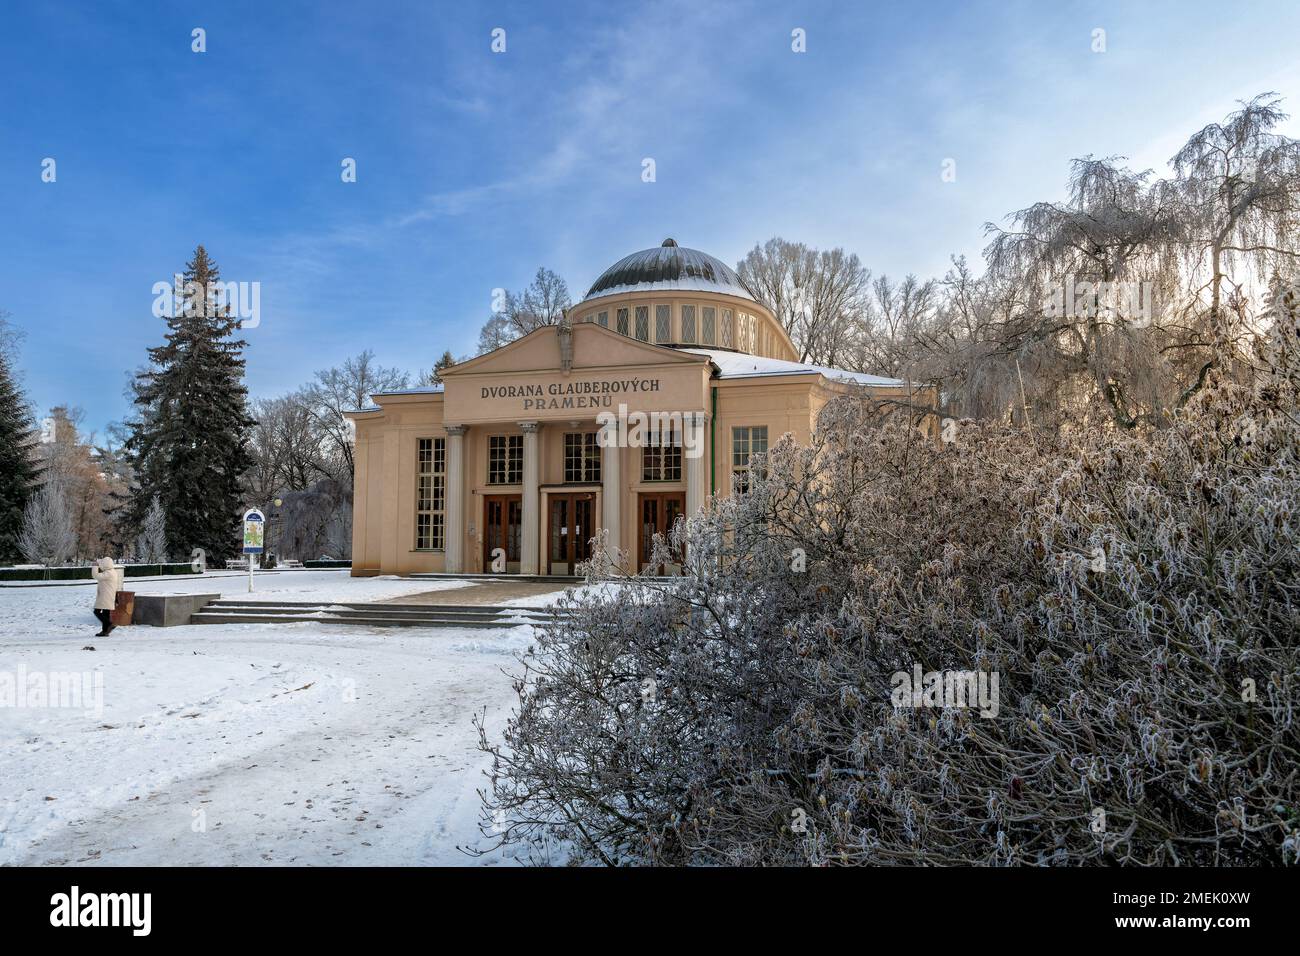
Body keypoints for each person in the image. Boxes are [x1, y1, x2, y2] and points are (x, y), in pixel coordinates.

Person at [91, 557, 118, 637]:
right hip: (108, 595)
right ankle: (105, 631)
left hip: (105, 596)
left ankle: (110, 624)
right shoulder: (112, 572)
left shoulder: (109, 573)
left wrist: (95, 566)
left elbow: (95, 576)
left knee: (97, 612)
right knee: (106, 613)